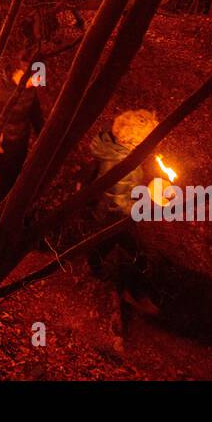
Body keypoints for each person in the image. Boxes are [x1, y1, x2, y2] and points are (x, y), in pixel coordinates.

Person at [84, 109, 160, 315]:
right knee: (139, 254)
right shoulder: (121, 163)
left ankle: (96, 273)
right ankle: (132, 294)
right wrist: (148, 199)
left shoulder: (114, 149)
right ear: (134, 139)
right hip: (115, 219)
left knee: (103, 247)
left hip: (107, 215)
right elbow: (119, 203)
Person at [0, 56, 45, 201]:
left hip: (21, 140)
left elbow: (35, 114)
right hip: (4, 143)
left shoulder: (30, 89)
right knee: (8, 175)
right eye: (34, 78)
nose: (36, 83)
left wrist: (43, 135)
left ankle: (7, 199)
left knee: (16, 172)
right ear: (19, 73)